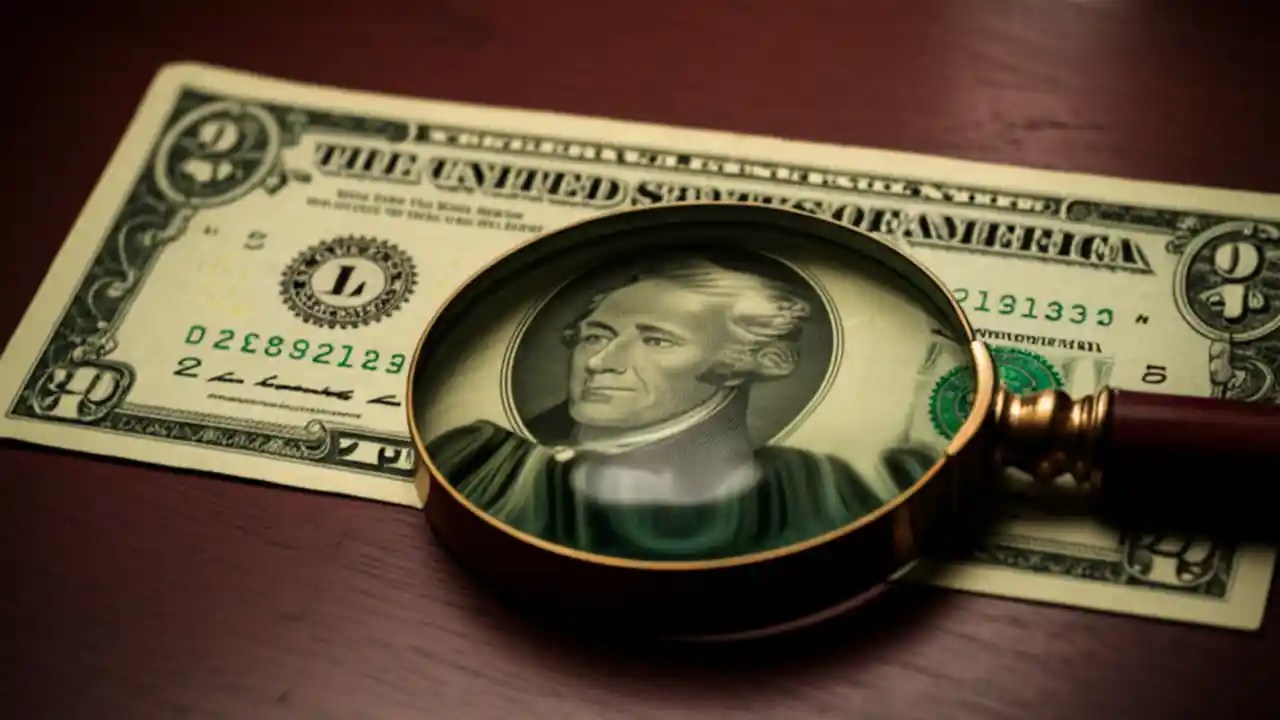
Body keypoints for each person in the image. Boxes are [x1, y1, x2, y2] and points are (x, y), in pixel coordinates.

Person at [425, 254, 936, 561]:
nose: (601, 361)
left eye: (657, 341)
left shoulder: (825, 494)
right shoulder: (483, 464)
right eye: (595, 335)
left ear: (745, 362)